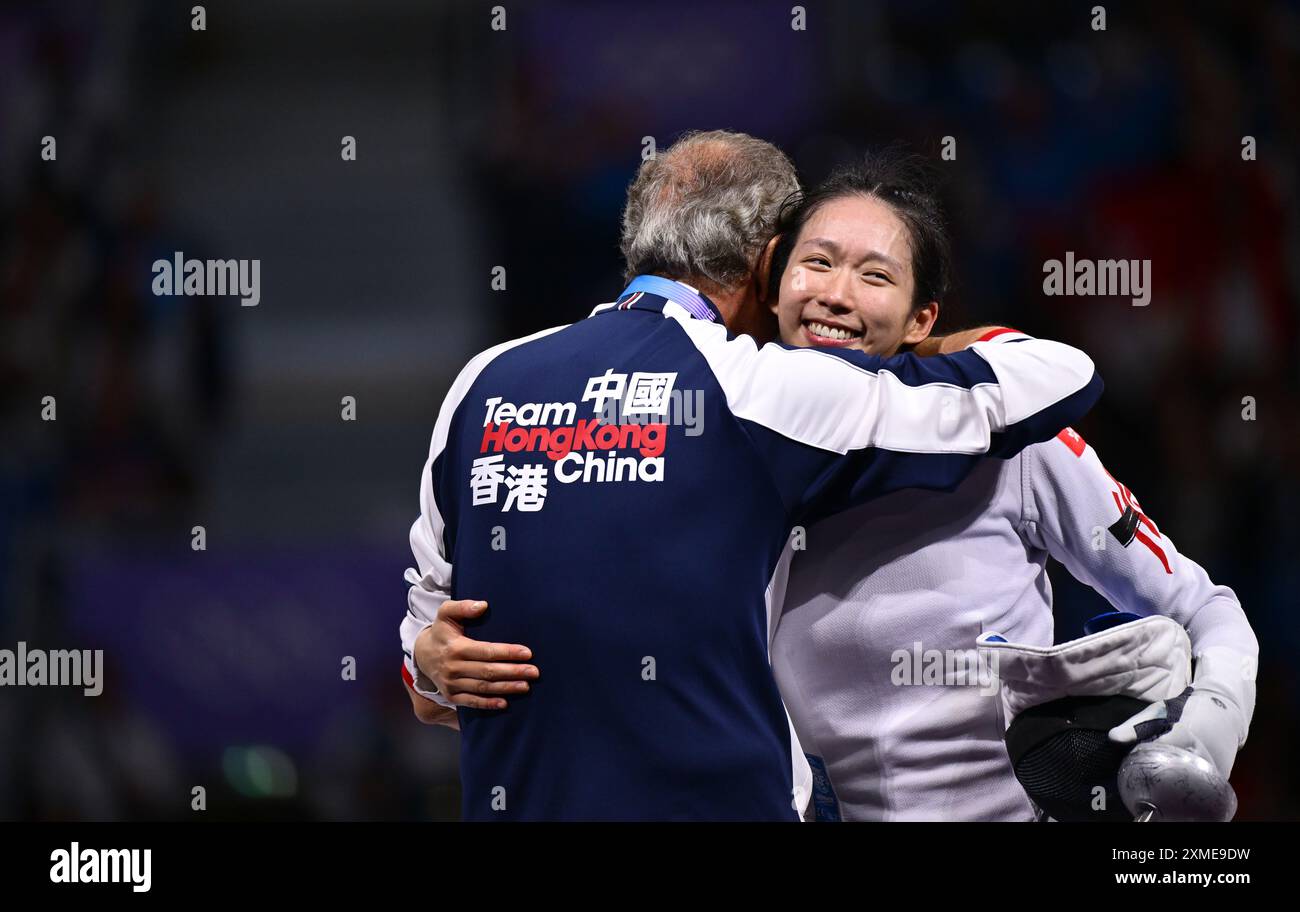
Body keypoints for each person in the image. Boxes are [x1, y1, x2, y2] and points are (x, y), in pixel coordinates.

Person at [424, 146, 1256, 821]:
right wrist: (431, 659)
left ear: (924, 317)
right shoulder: (743, 431)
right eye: (815, 262)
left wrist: (1196, 746)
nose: (835, 295)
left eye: (876, 276)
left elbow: (1204, 606)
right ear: (770, 277)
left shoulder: (1016, 446)